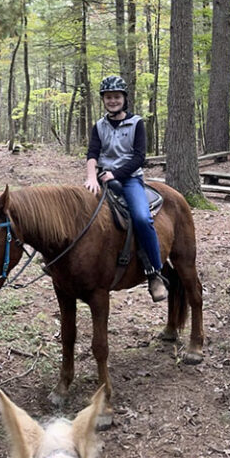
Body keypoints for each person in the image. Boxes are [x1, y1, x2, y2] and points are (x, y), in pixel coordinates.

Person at [84, 75, 167, 302]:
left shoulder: (137, 123)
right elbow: (92, 153)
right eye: (108, 97)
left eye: (116, 97)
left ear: (124, 99)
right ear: (103, 100)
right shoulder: (99, 126)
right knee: (77, 211)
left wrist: (116, 174)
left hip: (129, 179)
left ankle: (155, 273)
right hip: (102, 178)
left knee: (141, 218)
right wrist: (92, 176)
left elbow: (140, 157)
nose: (112, 101)